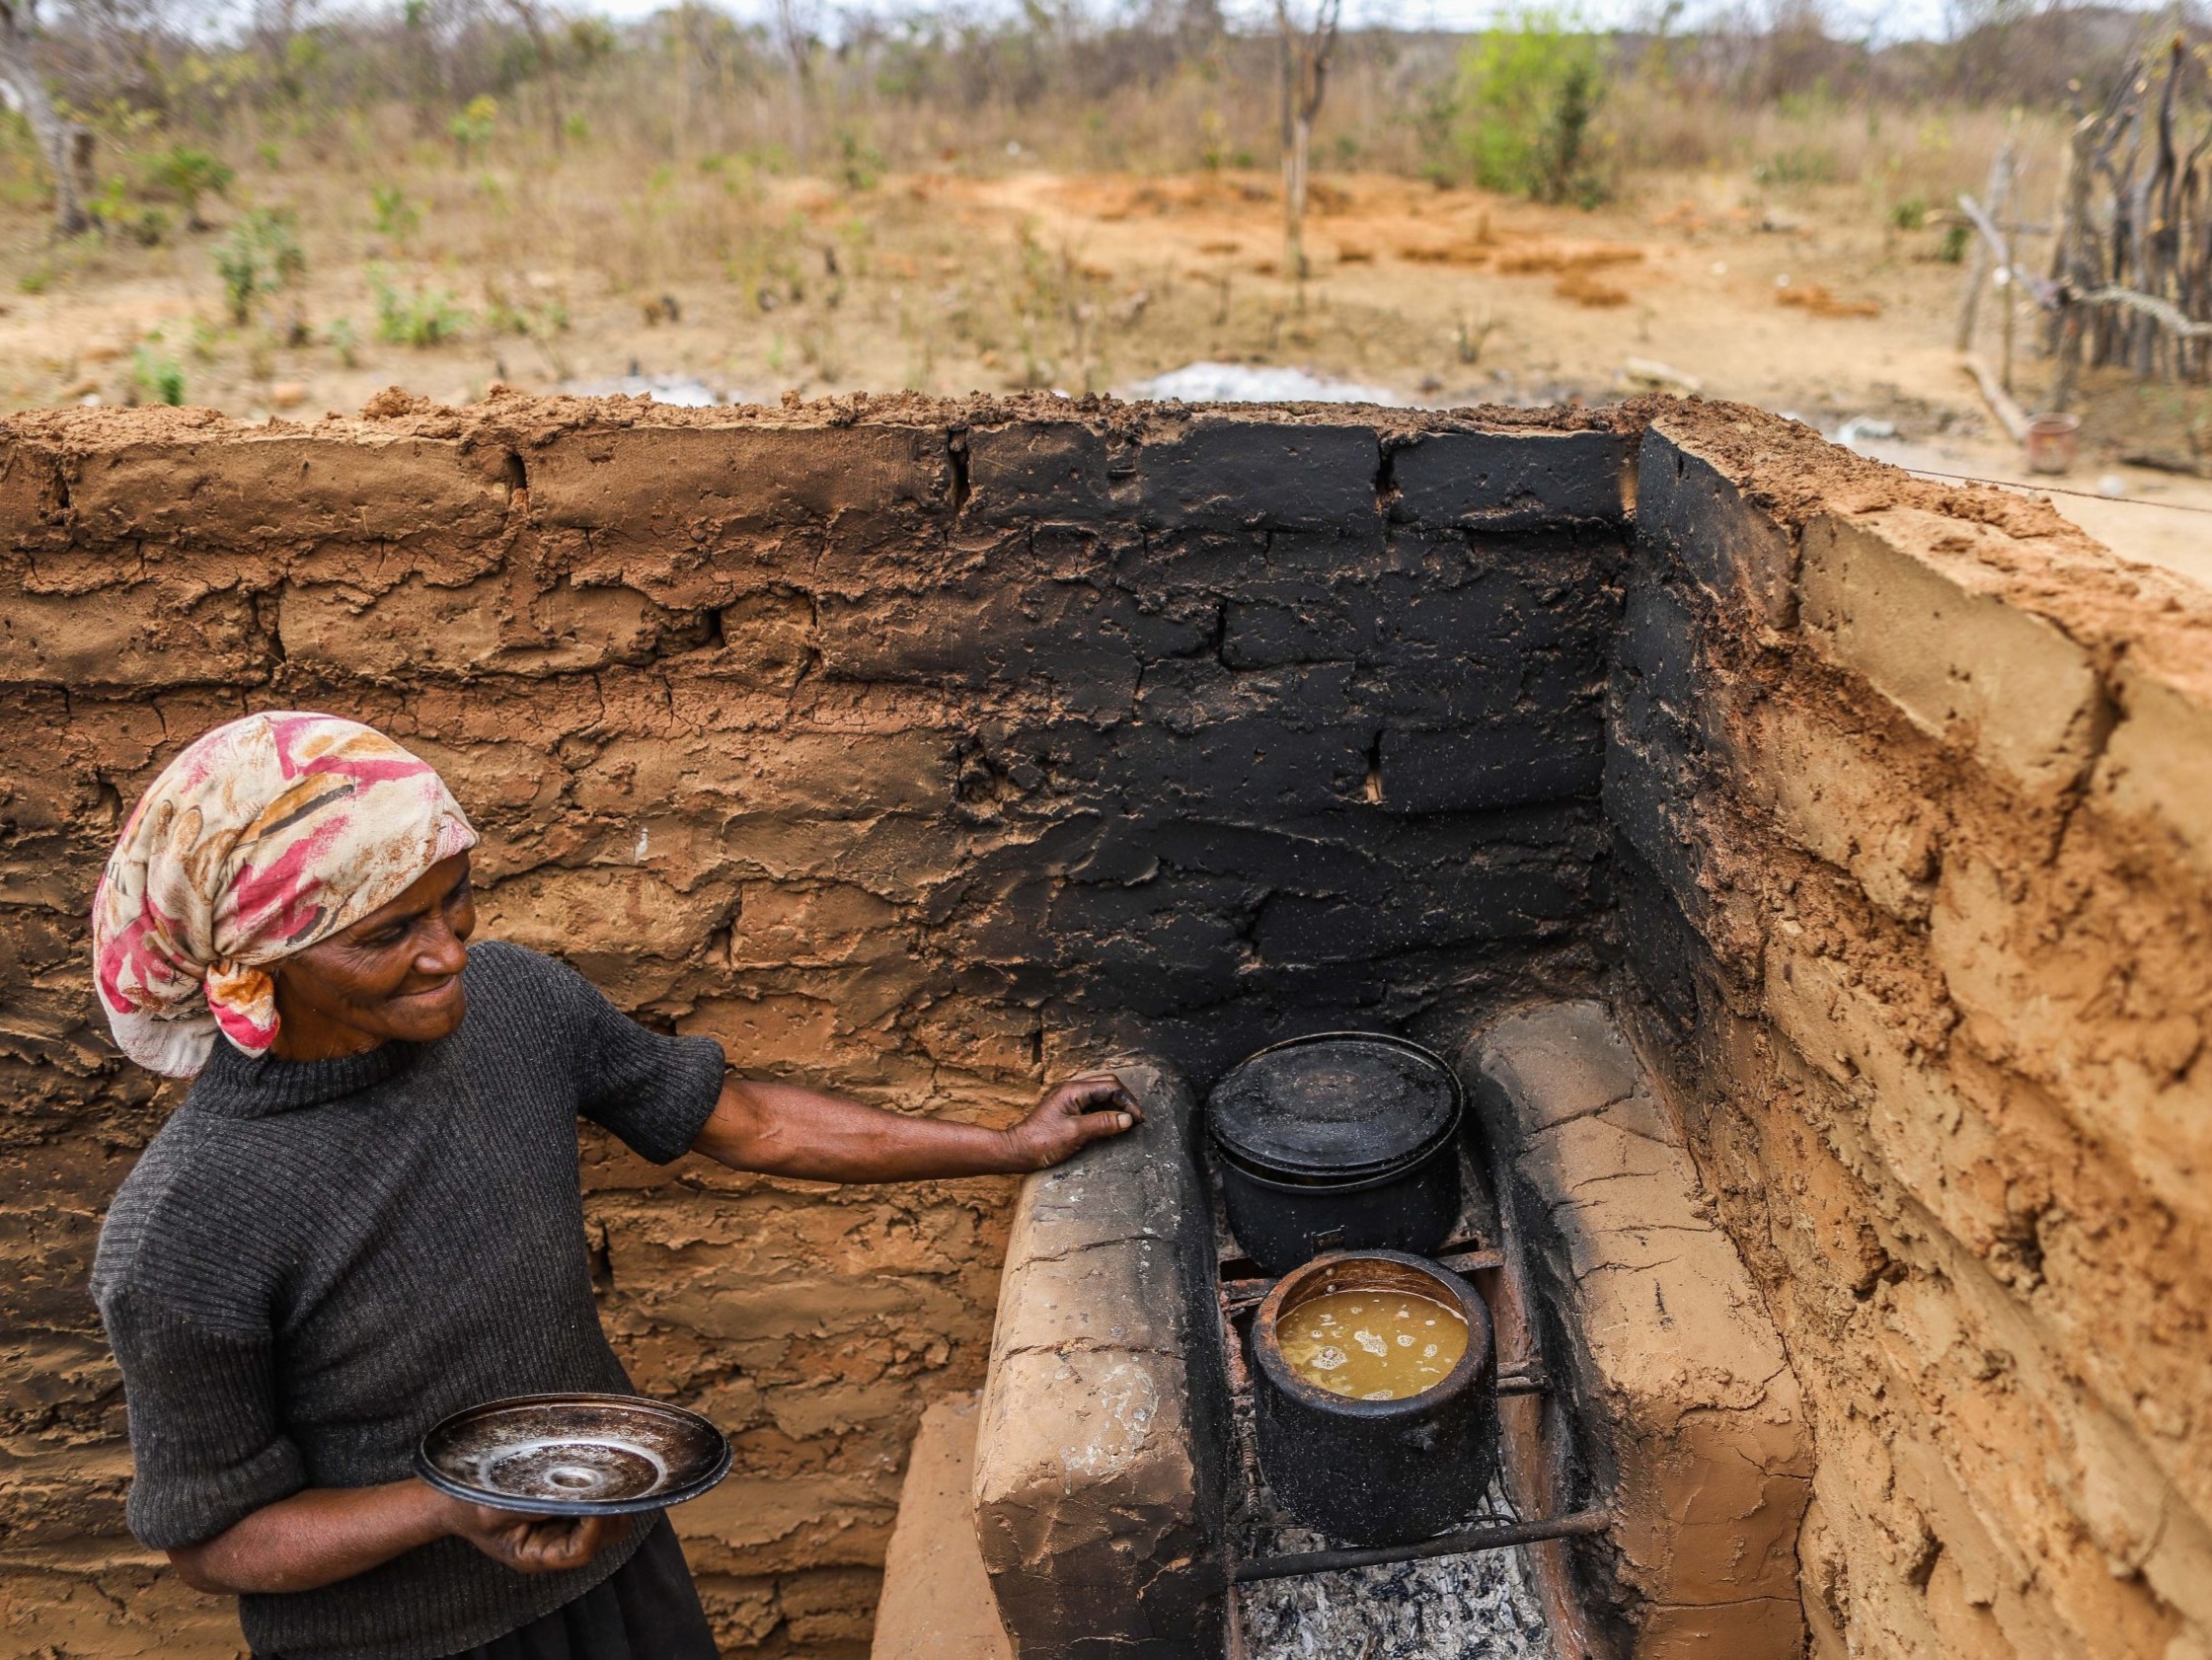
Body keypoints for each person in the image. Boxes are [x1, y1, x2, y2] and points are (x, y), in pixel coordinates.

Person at [88, 711, 1140, 1660]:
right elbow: (216, 1544)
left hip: (620, 1570)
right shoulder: (186, 1228)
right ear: (255, 961)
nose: (446, 953)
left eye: (454, 900)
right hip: (403, 1640)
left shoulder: (514, 1005)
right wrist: (451, 1506)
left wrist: (1008, 1145)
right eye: (386, 934)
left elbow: (754, 1121)